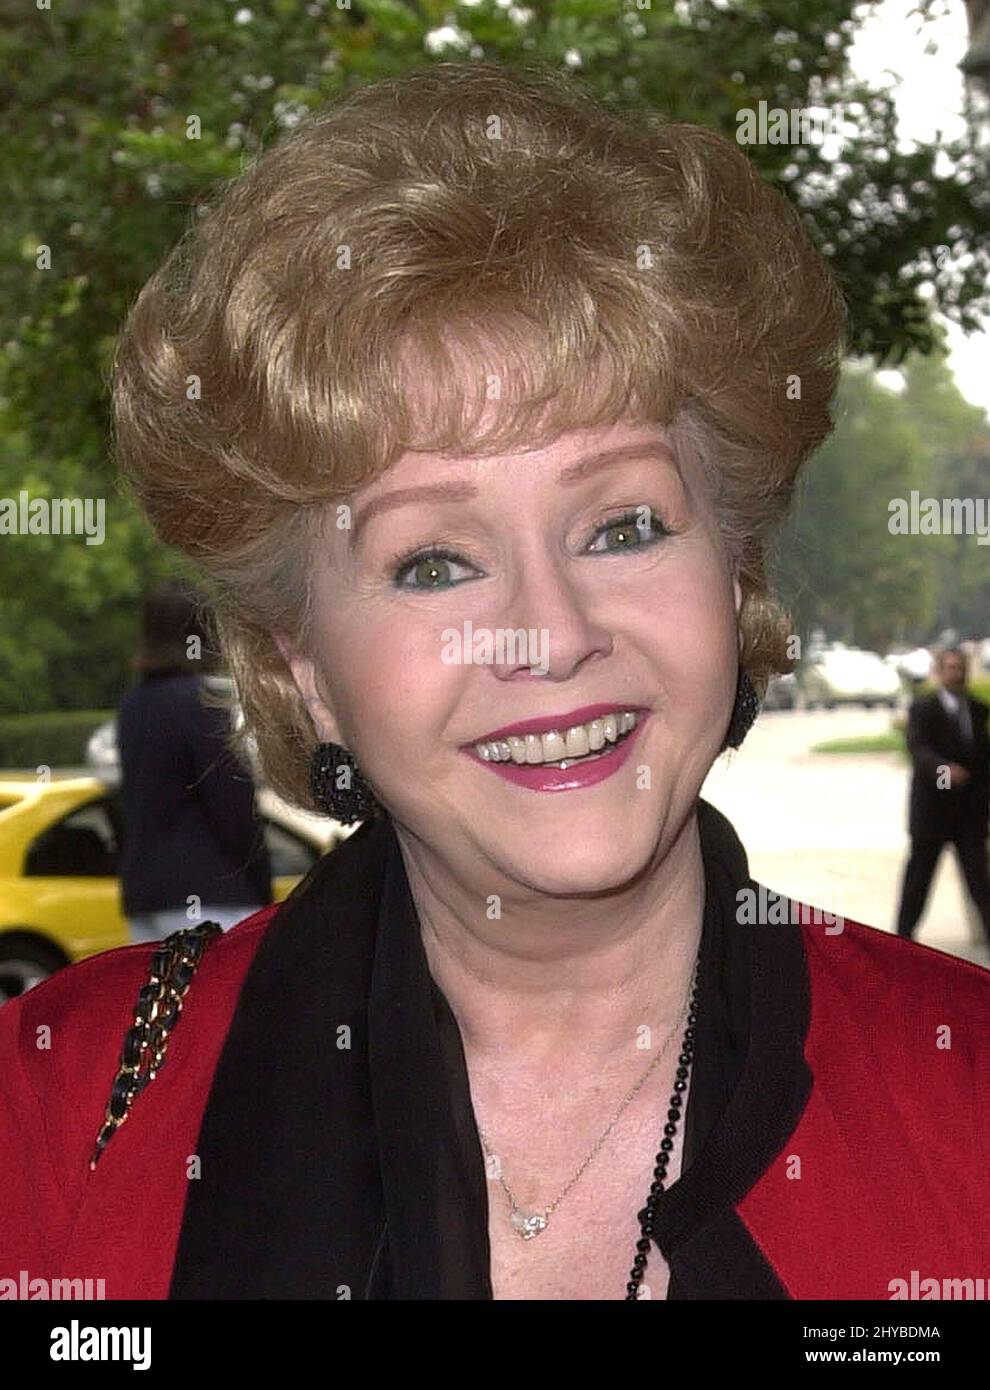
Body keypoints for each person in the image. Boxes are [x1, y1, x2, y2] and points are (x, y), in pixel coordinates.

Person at [2, 61, 989, 1303]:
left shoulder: (967, 1097)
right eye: (434, 561)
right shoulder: (46, 1118)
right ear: (302, 665)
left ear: (733, 578)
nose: (549, 635)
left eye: (623, 526)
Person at [117, 580, 273, 941]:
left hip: (147, 895)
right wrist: (260, 880)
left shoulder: (133, 708)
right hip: (214, 891)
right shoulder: (201, 703)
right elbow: (232, 805)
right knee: (225, 998)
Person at [895, 646, 990, 944]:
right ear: (939, 672)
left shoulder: (977, 710)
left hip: (969, 816)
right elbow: (919, 751)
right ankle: (903, 940)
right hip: (931, 814)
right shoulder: (923, 709)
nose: (956, 673)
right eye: (949, 668)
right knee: (918, 881)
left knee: (980, 882)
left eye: (960, 667)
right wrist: (945, 771)